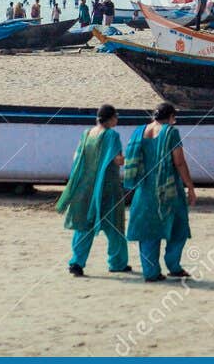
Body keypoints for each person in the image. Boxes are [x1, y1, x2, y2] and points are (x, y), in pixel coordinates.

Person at [55, 104, 131, 277]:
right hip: (107, 187)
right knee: (114, 225)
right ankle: (117, 263)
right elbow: (117, 160)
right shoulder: (112, 135)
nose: (117, 120)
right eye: (116, 116)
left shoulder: (86, 134)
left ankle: (76, 263)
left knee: (83, 225)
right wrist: (134, 158)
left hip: (85, 186)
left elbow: (77, 158)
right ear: (111, 118)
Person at [126, 102, 195, 282]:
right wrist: (190, 186)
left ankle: (151, 272)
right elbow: (179, 161)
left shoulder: (139, 131)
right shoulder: (171, 132)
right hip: (168, 187)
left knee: (148, 231)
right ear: (171, 117)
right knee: (179, 226)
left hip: (144, 188)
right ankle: (173, 265)